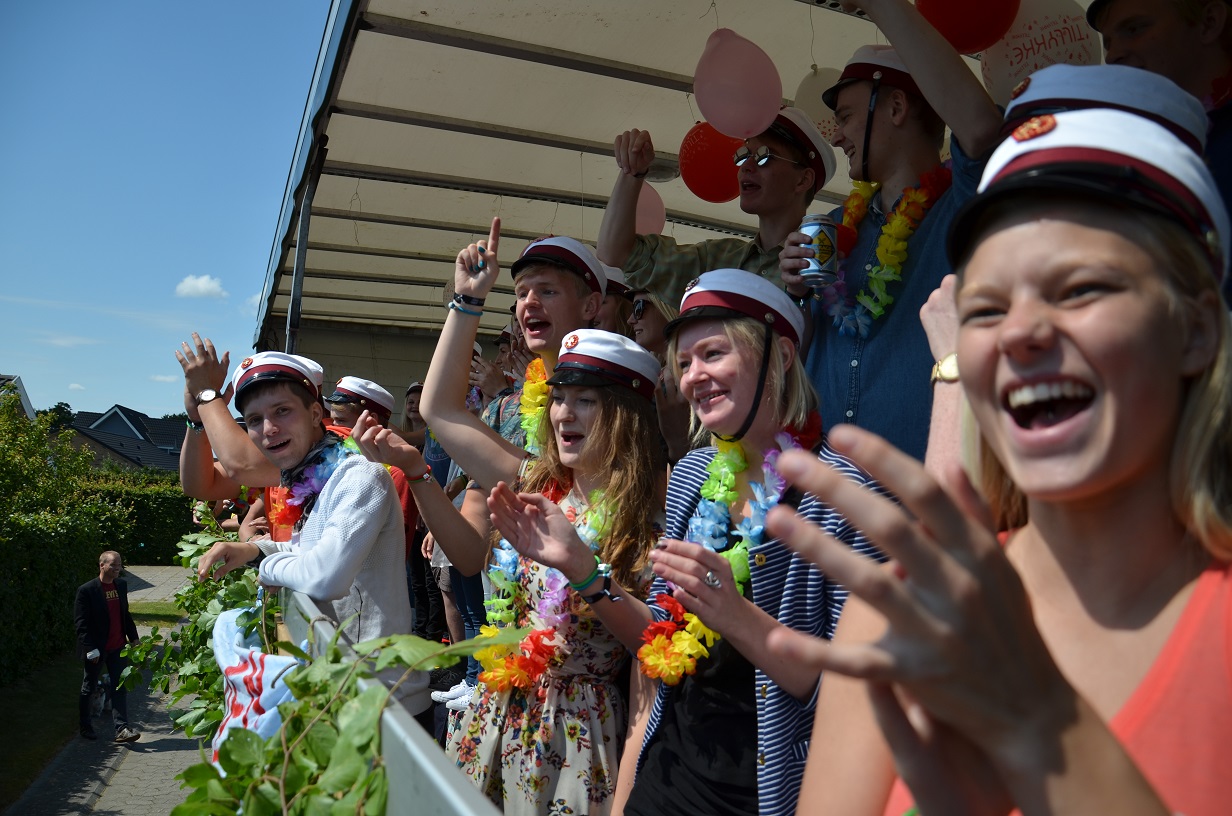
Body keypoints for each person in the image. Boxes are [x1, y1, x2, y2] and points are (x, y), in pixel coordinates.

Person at [764, 107, 1231, 816]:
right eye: (984, 308)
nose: (1020, 333)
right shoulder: (897, 612)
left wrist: (1044, 727)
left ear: (1196, 330)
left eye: (1080, 289)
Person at [490, 270, 883, 816]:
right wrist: (582, 567)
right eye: (683, 364)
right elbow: (656, 644)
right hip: (668, 777)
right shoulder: (694, 476)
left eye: (713, 354)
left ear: (783, 357)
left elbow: (856, 695)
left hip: (764, 794)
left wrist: (734, 615)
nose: (695, 376)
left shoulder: (842, 500)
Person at [776, 0, 1002, 463]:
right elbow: (790, 369)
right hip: (831, 506)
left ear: (896, 106)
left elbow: (981, 131)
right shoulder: (837, 228)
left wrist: (883, 6)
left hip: (932, 494)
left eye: (845, 117)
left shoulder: (962, 203)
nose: (836, 137)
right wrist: (797, 296)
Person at [191, 352, 429, 718]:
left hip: (382, 702)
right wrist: (254, 551)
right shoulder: (316, 477)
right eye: (254, 420)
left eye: (282, 411)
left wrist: (266, 569)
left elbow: (324, 575)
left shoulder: (361, 477)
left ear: (317, 414)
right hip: (340, 689)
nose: (268, 428)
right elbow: (309, 549)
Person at [598, 107, 834, 308]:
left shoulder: (825, 267)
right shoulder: (717, 259)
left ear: (803, 180)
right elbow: (616, 253)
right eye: (743, 155)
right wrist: (632, 172)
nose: (746, 167)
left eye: (764, 156)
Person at [1088, 0, 1231, 297]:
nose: (1113, 54)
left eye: (1134, 28)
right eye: (1108, 42)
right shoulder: (1127, 148)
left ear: (1209, 22)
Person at [76, 551, 140, 743]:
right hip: (97, 649)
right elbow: (81, 623)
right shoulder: (87, 590)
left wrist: (134, 638)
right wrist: (90, 648)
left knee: (120, 687)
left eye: (119, 564)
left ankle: (122, 729)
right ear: (102, 565)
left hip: (119, 646)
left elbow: (124, 614)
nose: (117, 568)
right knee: (89, 687)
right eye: (113, 565)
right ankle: (85, 726)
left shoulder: (120, 585)